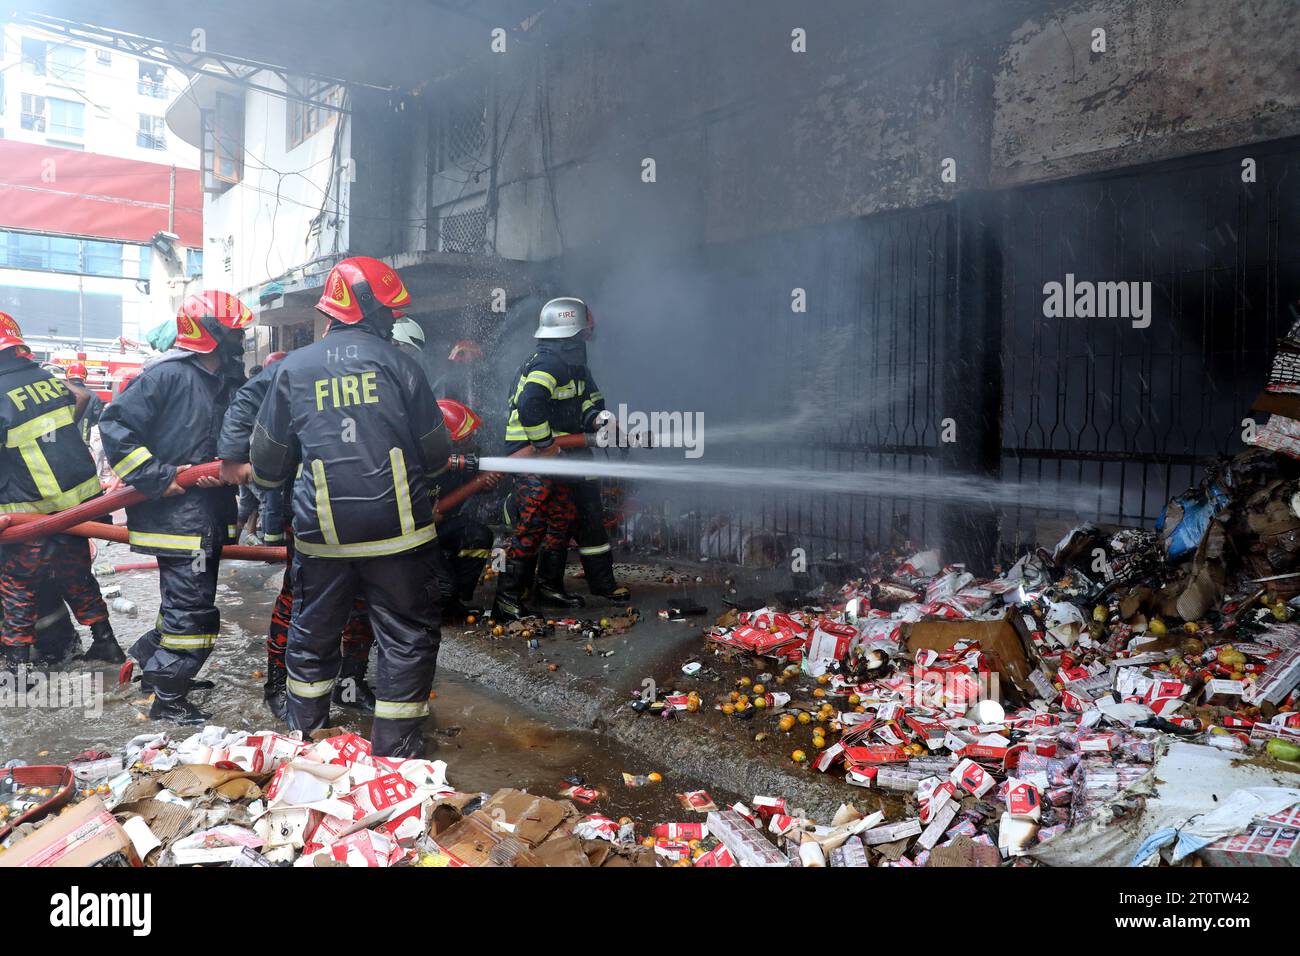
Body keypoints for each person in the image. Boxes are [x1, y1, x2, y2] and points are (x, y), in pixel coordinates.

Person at [250, 256, 450, 757]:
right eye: (388, 310)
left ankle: (305, 742)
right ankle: (394, 751)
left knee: (313, 632)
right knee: (405, 636)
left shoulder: (292, 370)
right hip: (399, 533)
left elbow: (268, 466)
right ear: (366, 309)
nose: (393, 320)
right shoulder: (402, 365)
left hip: (322, 535)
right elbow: (436, 454)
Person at [98, 291, 254, 723]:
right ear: (210, 332)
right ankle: (168, 698)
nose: (240, 336)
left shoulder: (224, 379)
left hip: (205, 513)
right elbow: (115, 426)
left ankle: (154, 665)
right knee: (194, 614)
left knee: (182, 604)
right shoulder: (166, 376)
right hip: (178, 519)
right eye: (234, 329)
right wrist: (158, 475)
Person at [217, 349, 376, 720]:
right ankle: (278, 685)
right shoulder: (304, 366)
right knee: (300, 598)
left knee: (363, 597)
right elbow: (247, 402)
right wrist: (234, 457)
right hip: (310, 505)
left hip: (369, 505)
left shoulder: (383, 364)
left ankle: (349, 684)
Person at [492, 297, 629, 620]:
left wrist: (601, 420)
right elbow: (529, 405)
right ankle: (507, 598)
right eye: (583, 334)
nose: (586, 341)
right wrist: (542, 442)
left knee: (562, 518)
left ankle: (549, 587)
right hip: (531, 457)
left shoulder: (574, 368)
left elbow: (584, 404)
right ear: (570, 334)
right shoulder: (548, 364)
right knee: (533, 522)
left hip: (554, 455)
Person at [0, 311, 123, 668]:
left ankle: (17, 667)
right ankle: (107, 644)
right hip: (79, 509)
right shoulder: (47, 379)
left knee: (18, 587)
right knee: (77, 577)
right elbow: (81, 397)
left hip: (30, 513)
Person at [431, 398, 497, 621]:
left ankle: (454, 602)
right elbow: (432, 516)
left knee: (479, 536)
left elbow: (462, 489)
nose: (471, 443)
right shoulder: (421, 467)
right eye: (464, 439)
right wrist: (476, 484)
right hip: (417, 538)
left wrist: (484, 486)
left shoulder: (459, 465)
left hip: (439, 531)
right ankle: (429, 608)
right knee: (444, 587)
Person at [63, 362, 105, 446]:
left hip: (63, 441)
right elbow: (98, 419)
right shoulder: (93, 396)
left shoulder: (60, 392)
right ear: (84, 377)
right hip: (83, 442)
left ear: (67, 376)